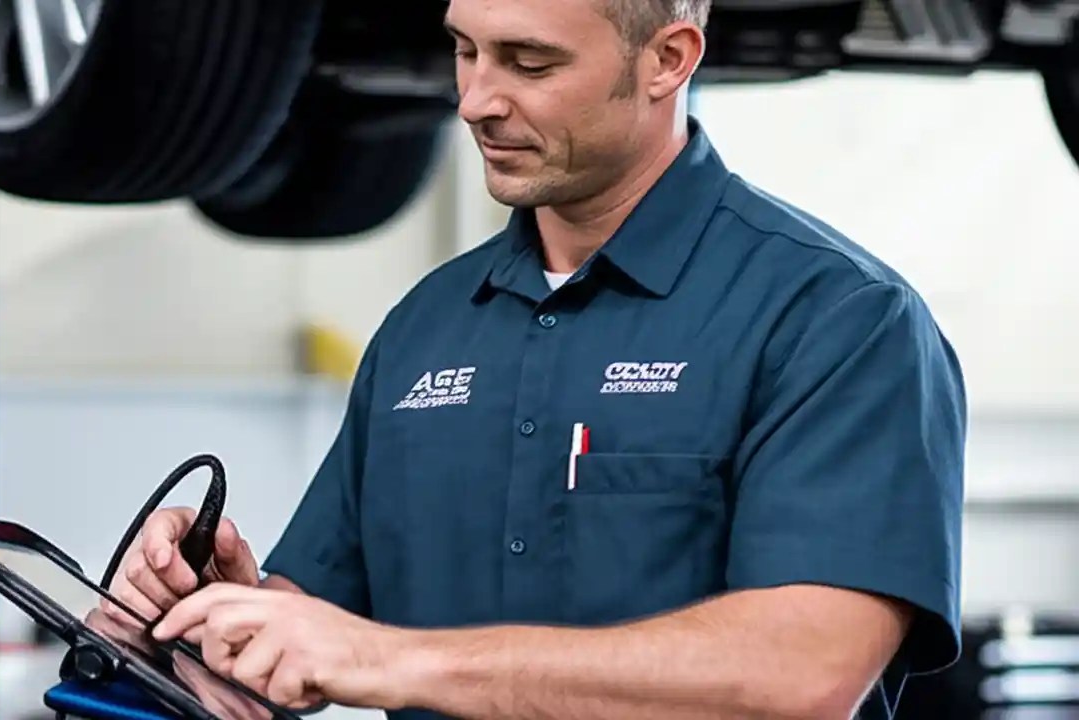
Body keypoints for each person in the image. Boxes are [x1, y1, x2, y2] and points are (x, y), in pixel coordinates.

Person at [97, 0, 967, 716]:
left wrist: (393, 660)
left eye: (529, 63)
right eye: (465, 51)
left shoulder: (838, 319)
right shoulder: (426, 327)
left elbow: (802, 675)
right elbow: (322, 630)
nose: (476, 99)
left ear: (668, 59)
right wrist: (222, 614)